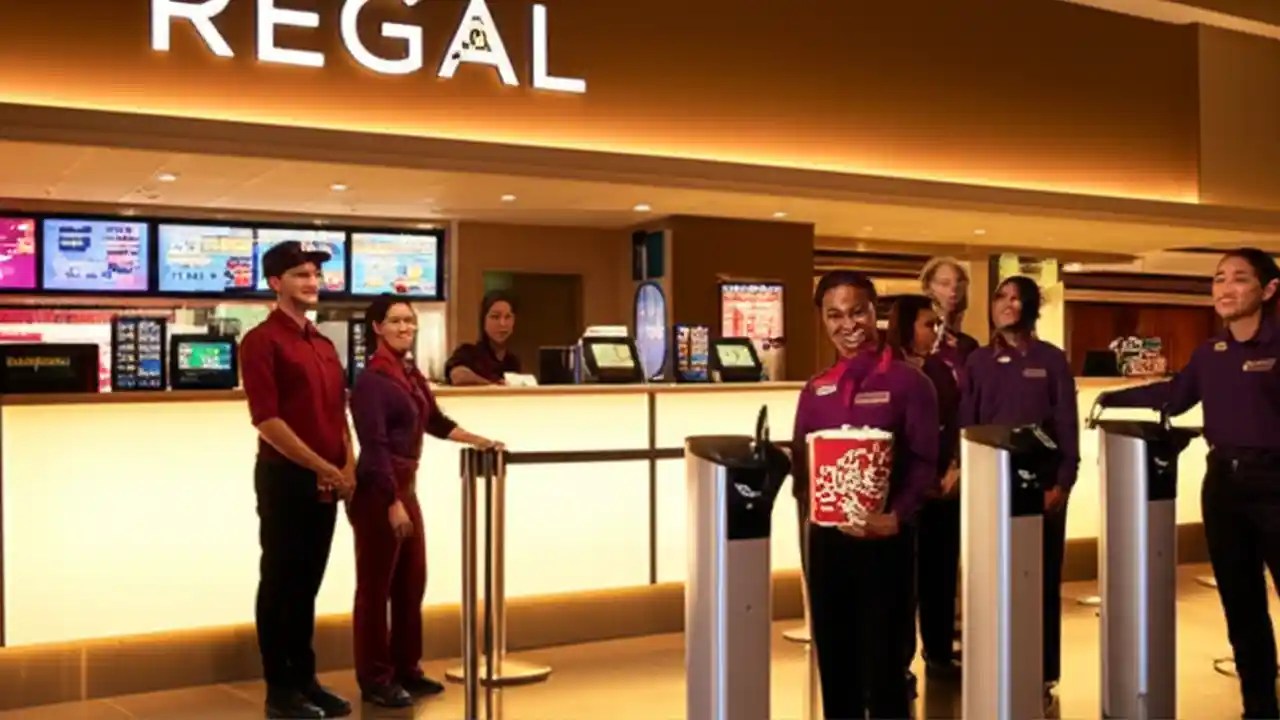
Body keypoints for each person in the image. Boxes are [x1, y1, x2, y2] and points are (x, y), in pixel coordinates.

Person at [1097, 248, 1280, 719]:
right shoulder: (1209, 353)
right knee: (1241, 606)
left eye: (1240, 278)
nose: (1225, 287)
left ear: (1269, 290)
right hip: (1223, 486)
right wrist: (1114, 397)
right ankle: (1258, 707)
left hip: (1276, 484)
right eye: (1219, 278)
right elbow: (1175, 399)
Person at [794, 270, 940, 719]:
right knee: (836, 665)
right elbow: (804, 467)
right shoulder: (816, 389)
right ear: (823, 320)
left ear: (875, 311)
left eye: (857, 311)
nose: (847, 324)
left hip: (886, 543)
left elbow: (924, 461)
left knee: (885, 667)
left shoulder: (910, 383)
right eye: (834, 315)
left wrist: (896, 516)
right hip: (829, 545)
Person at [348, 295, 503, 708]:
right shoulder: (371, 381)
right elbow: (375, 446)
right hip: (381, 490)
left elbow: (433, 421)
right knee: (375, 588)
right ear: (377, 327)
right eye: (395, 321)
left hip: (406, 486)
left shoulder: (410, 374)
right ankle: (376, 678)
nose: (404, 328)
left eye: (409, 321)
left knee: (411, 582)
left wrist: (477, 439)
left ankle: (406, 669)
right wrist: (391, 502)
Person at [240, 241, 355, 720]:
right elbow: (267, 420)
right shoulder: (261, 341)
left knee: (308, 584)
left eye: (314, 274)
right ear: (275, 283)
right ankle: (280, 690)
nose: (312, 282)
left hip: (326, 482)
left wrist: (347, 464)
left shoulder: (324, 343)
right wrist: (322, 466)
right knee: (281, 583)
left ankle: (306, 680)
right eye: (300, 275)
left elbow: (337, 411)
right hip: (286, 479)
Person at [960, 274, 1079, 704]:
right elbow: (967, 425)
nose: (1007, 305)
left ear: (1030, 308)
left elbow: (1066, 424)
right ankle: (993, 663)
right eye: (1001, 297)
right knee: (990, 582)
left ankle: (1042, 674)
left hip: (1041, 486)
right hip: (990, 488)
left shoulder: (1051, 359)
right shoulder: (977, 361)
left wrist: (1063, 482)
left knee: (1041, 582)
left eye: (1017, 298)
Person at [886, 296, 963, 681]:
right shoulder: (889, 371)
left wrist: (954, 468)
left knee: (940, 574)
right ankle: (899, 664)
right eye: (927, 324)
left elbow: (956, 421)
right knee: (901, 583)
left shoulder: (941, 370)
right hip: (903, 493)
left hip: (943, 490)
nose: (935, 332)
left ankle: (939, 653)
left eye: (938, 324)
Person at [446, 290, 520, 385]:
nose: (503, 323)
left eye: (508, 317)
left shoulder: (512, 361)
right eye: (495, 317)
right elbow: (458, 376)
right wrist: (492, 386)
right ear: (483, 321)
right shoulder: (468, 352)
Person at [921, 256, 980, 374]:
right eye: (944, 284)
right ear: (928, 287)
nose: (953, 291)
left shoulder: (968, 345)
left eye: (958, 284)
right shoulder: (917, 335)